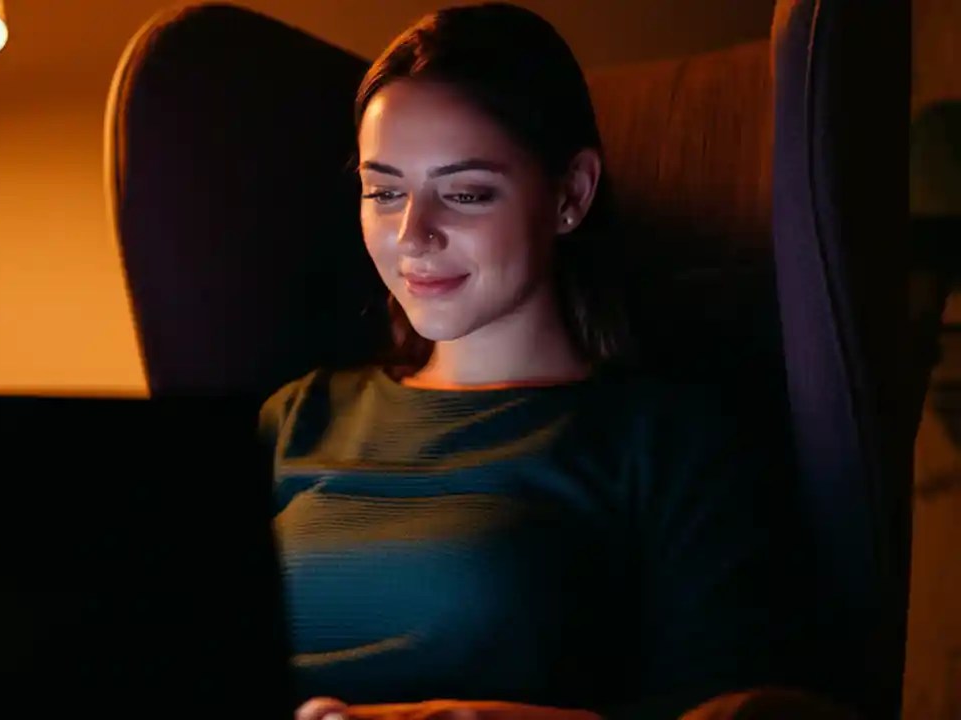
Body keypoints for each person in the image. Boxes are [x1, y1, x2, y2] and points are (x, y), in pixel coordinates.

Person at [258, 4, 831, 719]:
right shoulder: (293, 421)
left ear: (570, 194)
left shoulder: (665, 445)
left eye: (464, 194)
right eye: (384, 192)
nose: (412, 235)